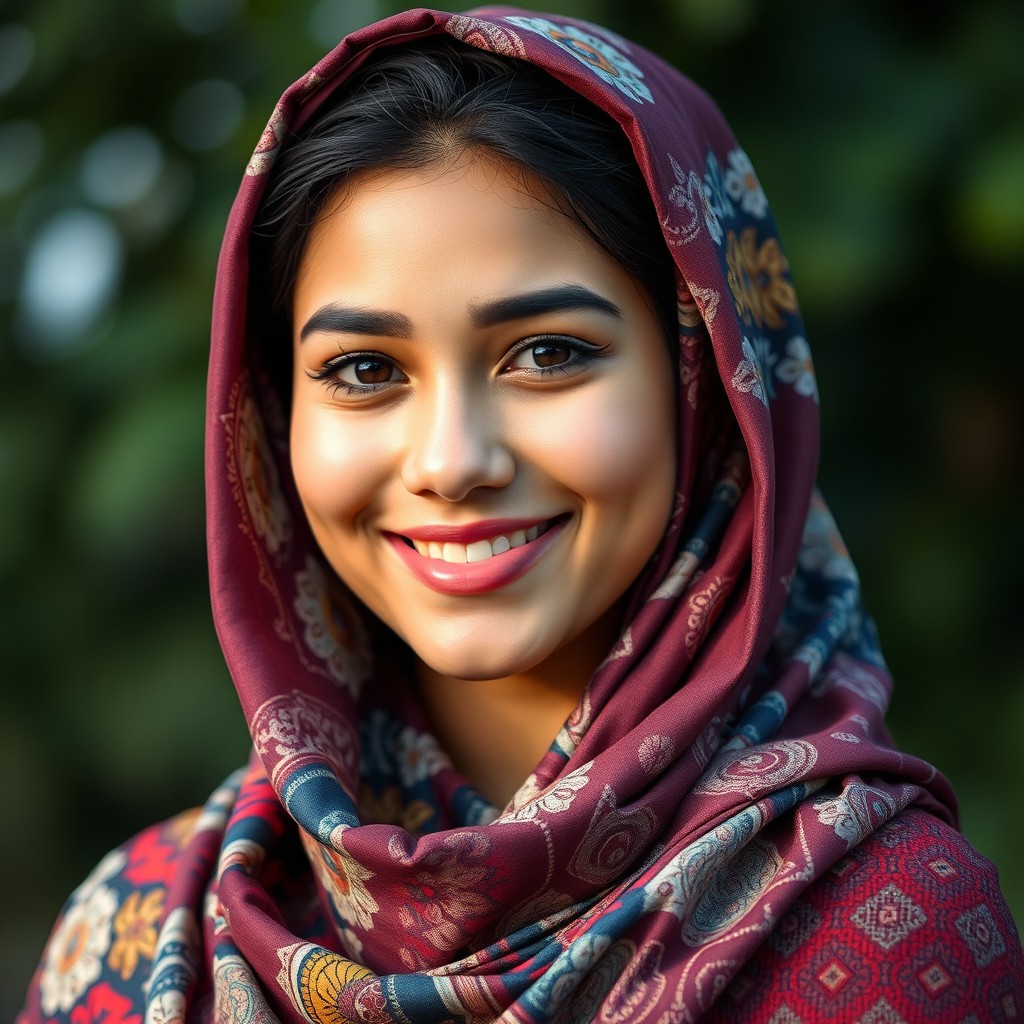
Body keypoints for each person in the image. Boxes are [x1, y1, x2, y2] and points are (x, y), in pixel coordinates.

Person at [19, 7, 1023, 1023]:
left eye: (547, 353)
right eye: (364, 370)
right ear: (273, 422)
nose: (453, 462)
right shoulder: (135, 932)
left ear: (709, 384)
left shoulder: (877, 921)